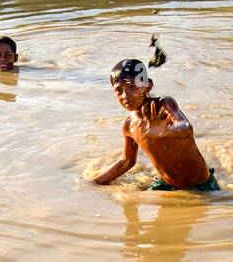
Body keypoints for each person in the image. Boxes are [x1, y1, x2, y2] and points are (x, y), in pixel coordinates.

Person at [92, 58, 219, 191]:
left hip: (201, 183)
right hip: (168, 186)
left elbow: (186, 127)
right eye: (119, 90)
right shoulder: (129, 126)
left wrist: (164, 131)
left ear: (148, 86)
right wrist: (96, 183)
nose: (125, 96)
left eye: (131, 87)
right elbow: (127, 161)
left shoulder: (164, 106)